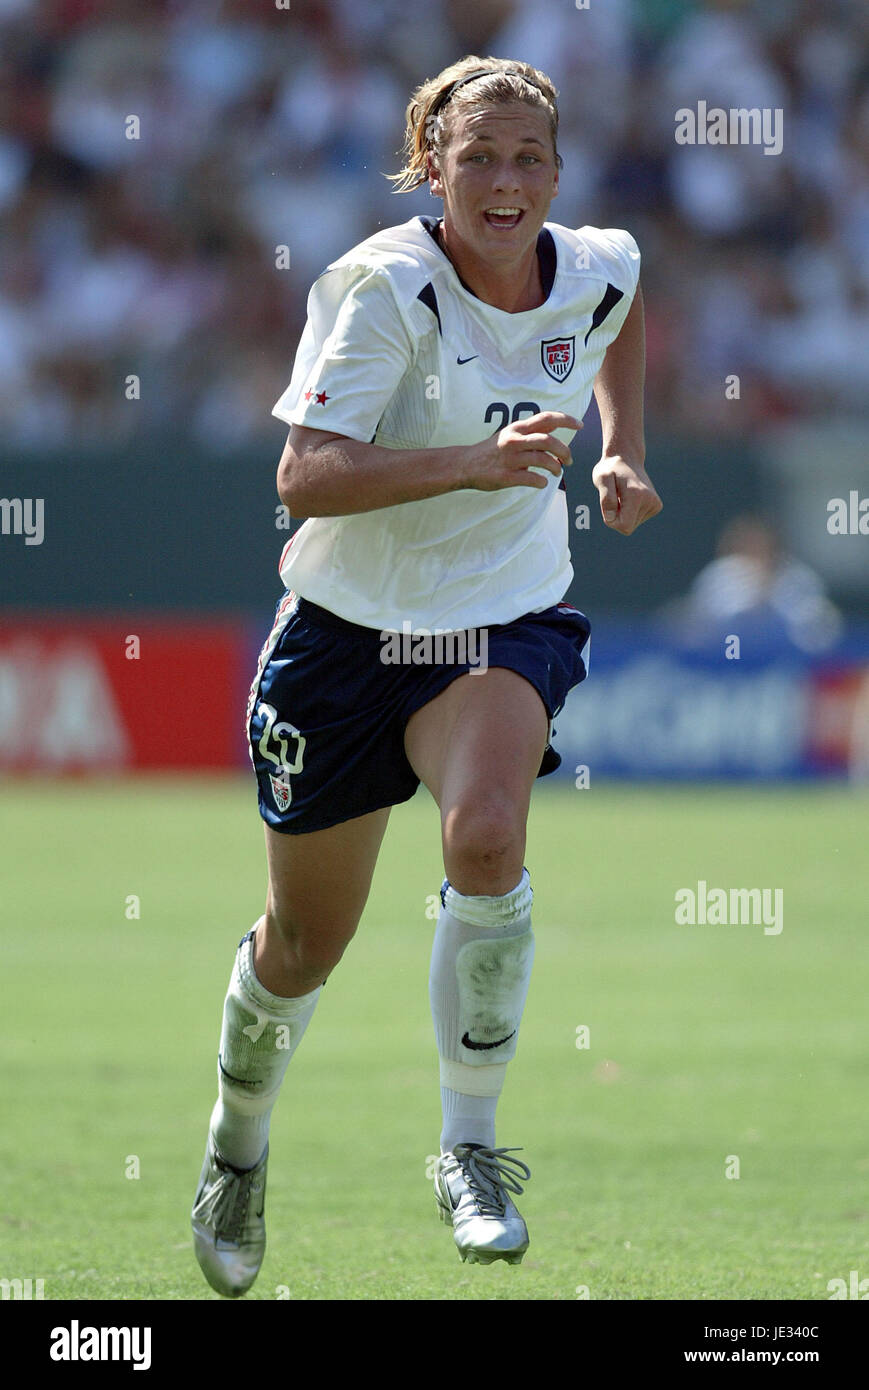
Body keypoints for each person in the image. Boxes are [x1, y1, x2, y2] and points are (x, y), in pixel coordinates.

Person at [191, 53, 662, 1297]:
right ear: (429, 167)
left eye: (526, 159)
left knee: (488, 840)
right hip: (345, 635)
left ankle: (466, 1146)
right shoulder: (382, 287)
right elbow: (303, 475)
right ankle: (237, 1147)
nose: (503, 181)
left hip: (498, 617)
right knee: (302, 942)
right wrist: (468, 461)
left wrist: (621, 449)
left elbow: (620, 314)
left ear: (556, 174)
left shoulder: (597, 261)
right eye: (477, 157)